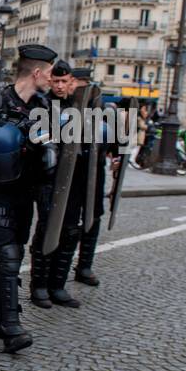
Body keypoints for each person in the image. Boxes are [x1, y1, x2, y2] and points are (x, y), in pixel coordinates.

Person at [0, 44, 58, 353]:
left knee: (13, 257)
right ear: (36, 73)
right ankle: (11, 327)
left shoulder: (44, 109)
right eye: (49, 73)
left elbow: (52, 155)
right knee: (8, 258)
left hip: (27, 195)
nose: (52, 79)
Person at [28, 60, 77, 310]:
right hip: (47, 179)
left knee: (69, 231)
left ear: (72, 82)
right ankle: (39, 285)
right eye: (55, 80)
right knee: (47, 228)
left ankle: (58, 284)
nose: (59, 85)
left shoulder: (80, 106)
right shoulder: (42, 104)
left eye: (63, 81)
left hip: (72, 179)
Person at [70, 68, 107, 287]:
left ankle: (84, 265)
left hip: (94, 168)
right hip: (72, 169)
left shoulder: (100, 106)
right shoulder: (64, 104)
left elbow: (111, 138)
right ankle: (65, 266)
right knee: (69, 220)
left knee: (93, 217)